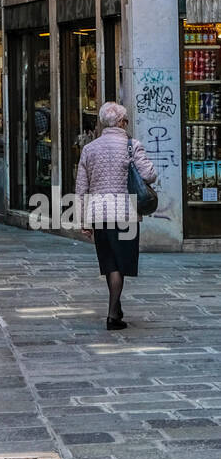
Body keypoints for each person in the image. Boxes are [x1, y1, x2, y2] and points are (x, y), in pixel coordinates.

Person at [75, 101, 157, 330]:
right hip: (125, 213)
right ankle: (113, 313)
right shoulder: (132, 146)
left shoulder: (89, 149)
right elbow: (149, 175)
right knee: (122, 263)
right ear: (121, 122)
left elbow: (81, 188)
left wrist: (83, 221)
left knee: (110, 263)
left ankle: (116, 308)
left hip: (100, 212)